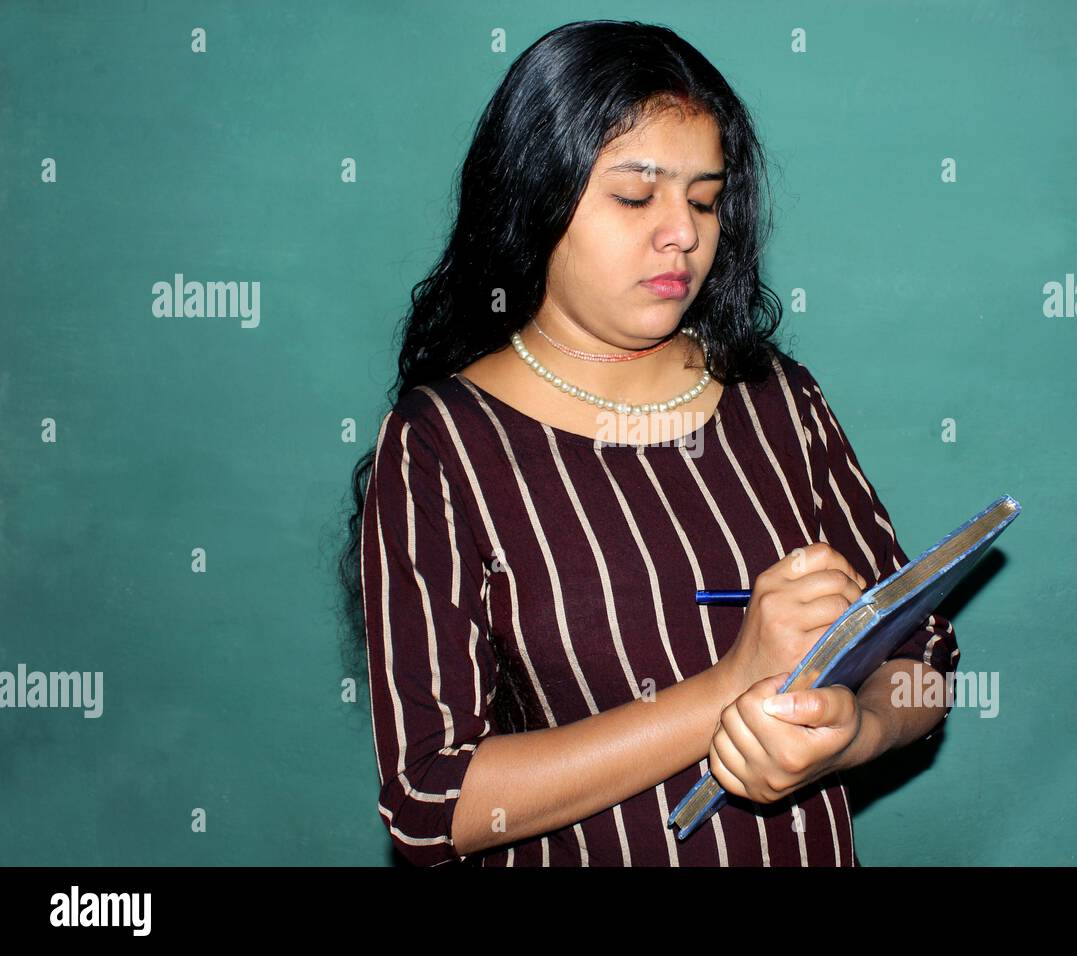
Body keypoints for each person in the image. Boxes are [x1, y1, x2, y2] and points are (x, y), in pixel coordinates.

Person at [339, 19, 959, 867]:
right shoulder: (442, 445)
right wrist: (723, 691)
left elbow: (922, 653)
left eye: (704, 199)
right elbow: (430, 803)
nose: (683, 234)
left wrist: (854, 732)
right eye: (637, 197)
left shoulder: (776, 398)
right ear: (535, 195)